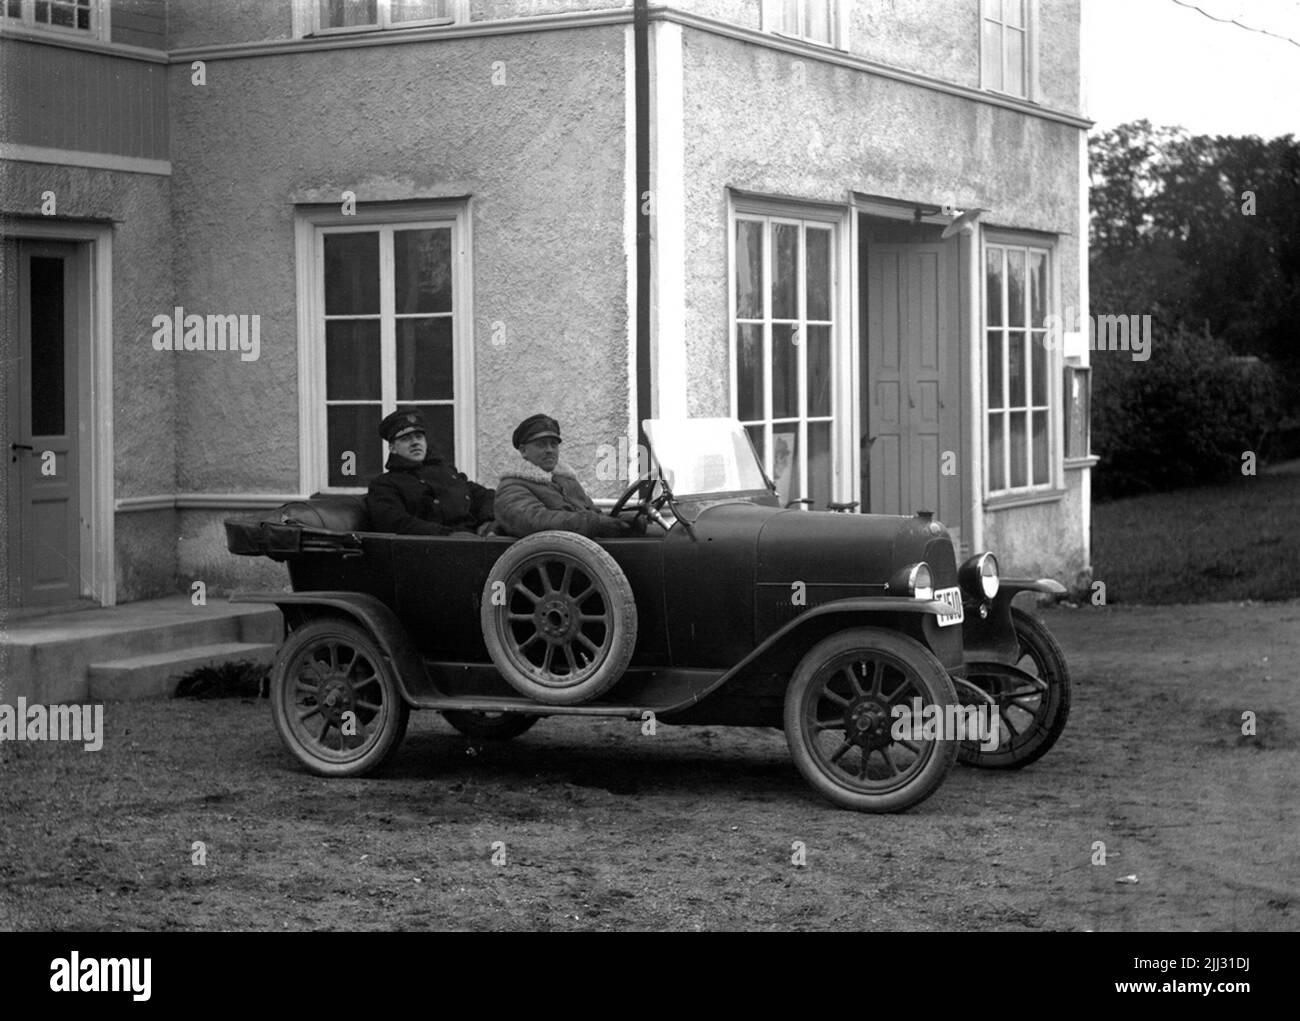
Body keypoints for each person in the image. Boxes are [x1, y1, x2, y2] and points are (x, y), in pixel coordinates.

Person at [494, 414, 631, 539]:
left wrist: (620, 520)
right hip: (557, 558)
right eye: (541, 445)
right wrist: (593, 523)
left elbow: (594, 513)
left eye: (553, 445)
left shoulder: (567, 481)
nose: (549, 450)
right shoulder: (511, 487)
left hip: (587, 552)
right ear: (524, 451)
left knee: (648, 532)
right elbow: (533, 522)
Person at [366, 409, 495, 535]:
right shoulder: (385, 484)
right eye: (406, 438)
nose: (415, 443)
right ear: (392, 448)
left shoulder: (447, 472)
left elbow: (485, 495)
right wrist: (447, 535)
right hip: (432, 546)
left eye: (419, 437)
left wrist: (487, 523)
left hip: (475, 539)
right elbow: (394, 522)